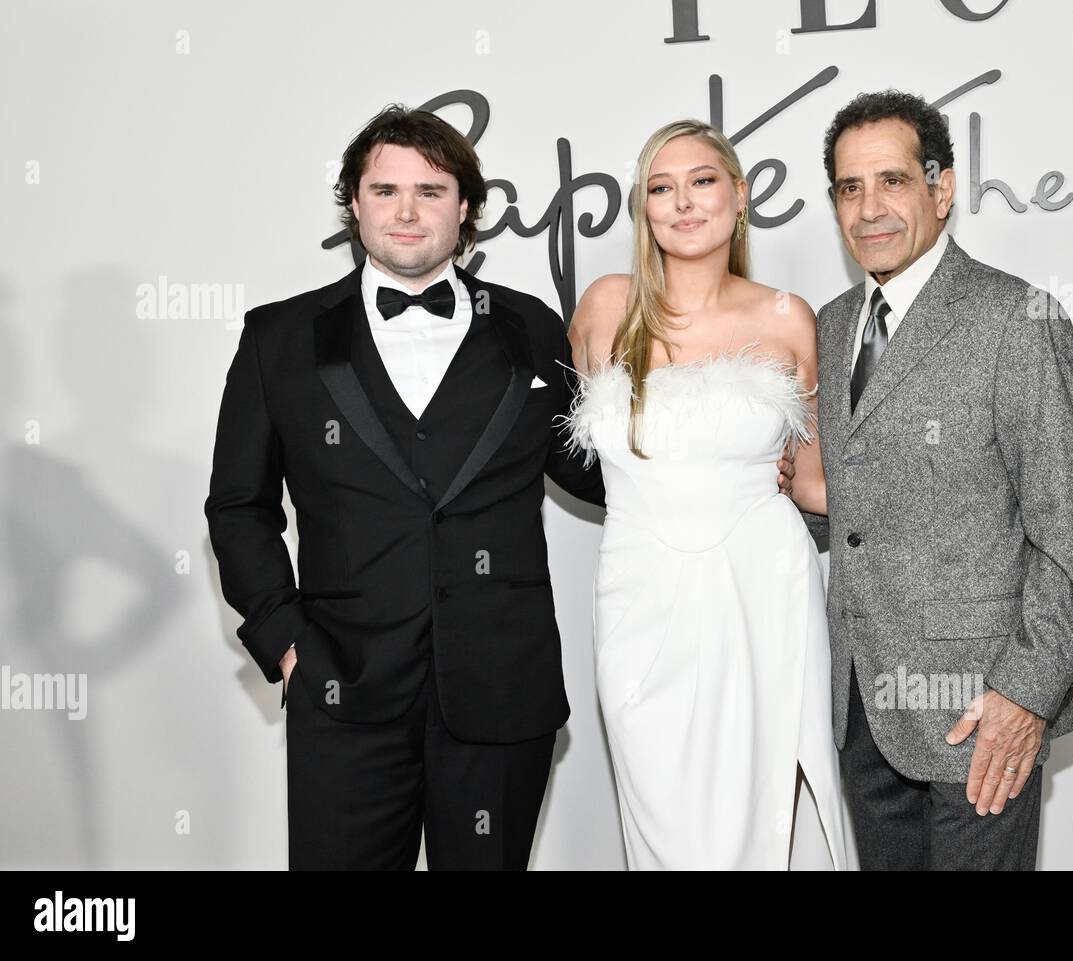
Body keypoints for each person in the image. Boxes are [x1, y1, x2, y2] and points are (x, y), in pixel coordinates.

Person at [204, 104, 609, 869]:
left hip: (501, 694)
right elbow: (237, 506)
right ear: (353, 204)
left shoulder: (532, 328)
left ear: (467, 208)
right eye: (385, 190)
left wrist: (715, 434)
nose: (407, 211)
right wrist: (287, 643)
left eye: (431, 190)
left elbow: (590, 470)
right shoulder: (279, 338)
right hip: (342, 694)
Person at [783, 90, 1073, 870]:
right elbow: (857, 509)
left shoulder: (1015, 319)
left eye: (891, 181)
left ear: (943, 188)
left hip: (978, 713)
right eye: (849, 189)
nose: (869, 209)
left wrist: (1024, 696)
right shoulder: (828, 324)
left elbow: (1068, 536)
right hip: (861, 707)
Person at [562, 119, 850, 869]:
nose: (683, 202)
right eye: (661, 187)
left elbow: (815, 479)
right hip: (640, 594)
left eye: (702, 182)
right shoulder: (604, 307)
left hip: (763, 587)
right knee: (662, 811)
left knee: (769, 809)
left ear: (740, 197)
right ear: (643, 208)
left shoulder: (787, 316)